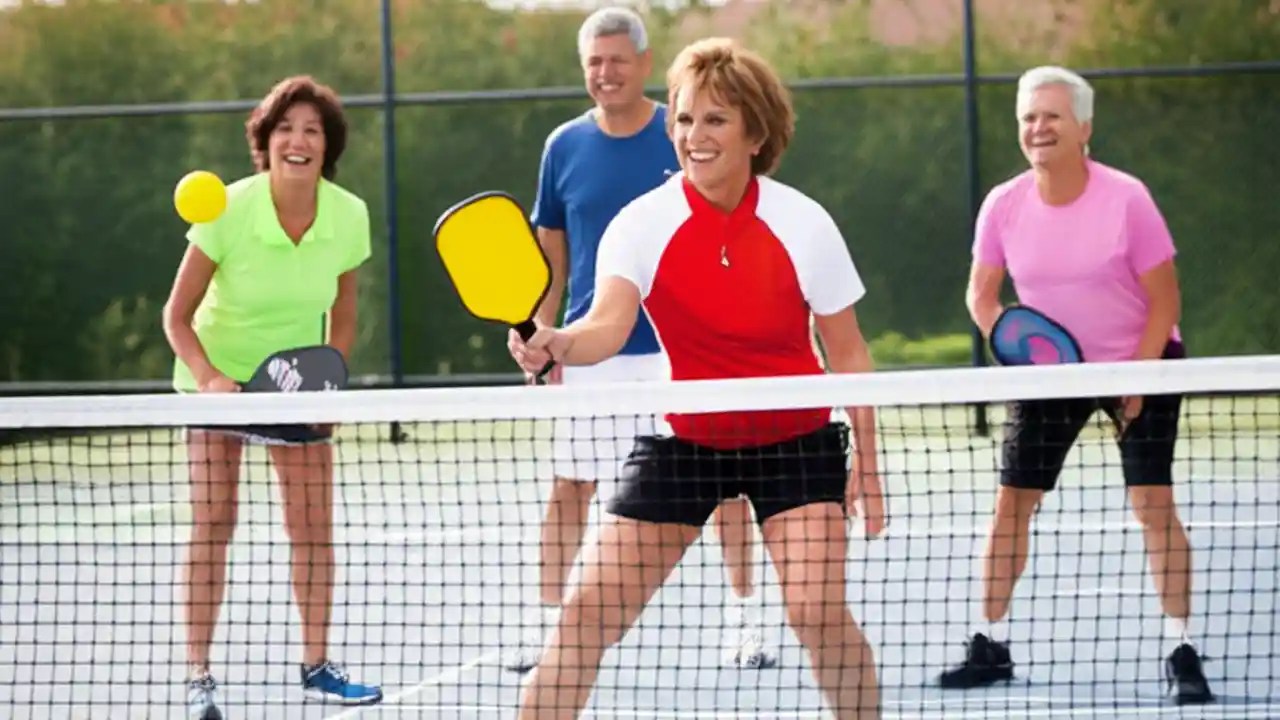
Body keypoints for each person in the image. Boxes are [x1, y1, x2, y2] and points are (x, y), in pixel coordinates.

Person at [509, 37, 887, 720]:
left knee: (816, 613)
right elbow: (608, 327)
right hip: (686, 443)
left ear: (756, 132)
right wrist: (557, 343)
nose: (694, 136)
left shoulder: (803, 223)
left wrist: (869, 462)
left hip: (794, 441)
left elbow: (849, 354)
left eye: (715, 119)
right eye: (683, 119)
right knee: (586, 614)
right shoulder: (644, 224)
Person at [503, 7, 775, 674]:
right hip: (593, 350)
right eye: (594, 61)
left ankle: (746, 622)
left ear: (645, 64)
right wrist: (544, 338)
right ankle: (548, 626)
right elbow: (552, 258)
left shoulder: (684, 133)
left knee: (728, 490)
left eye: (617, 59)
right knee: (571, 487)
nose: (606, 72)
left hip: (688, 351)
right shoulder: (562, 146)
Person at [938, 65, 1213, 705]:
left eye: (1052, 116)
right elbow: (982, 296)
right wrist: (1014, 344)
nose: (1039, 127)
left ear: (1084, 127)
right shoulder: (1003, 205)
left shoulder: (1128, 198)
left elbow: (1165, 301)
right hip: (1050, 374)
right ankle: (990, 643)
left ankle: (1183, 648)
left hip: (1140, 357)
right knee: (1012, 505)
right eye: (1029, 117)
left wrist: (1139, 379)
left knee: (1152, 505)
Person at [162, 75, 383, 719]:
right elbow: (176, 316)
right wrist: (209, 380)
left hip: (297, 385)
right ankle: (198, 674)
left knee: (312, 529)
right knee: (212, 524)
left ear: (327, 146)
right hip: (217, 386)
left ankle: (316, 665)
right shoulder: (225, 209)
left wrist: (330, 386)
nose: (298, 140)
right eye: (285, 128)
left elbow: (344, 311)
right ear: (265, 140)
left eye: (312, 130)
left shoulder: (349, 214)